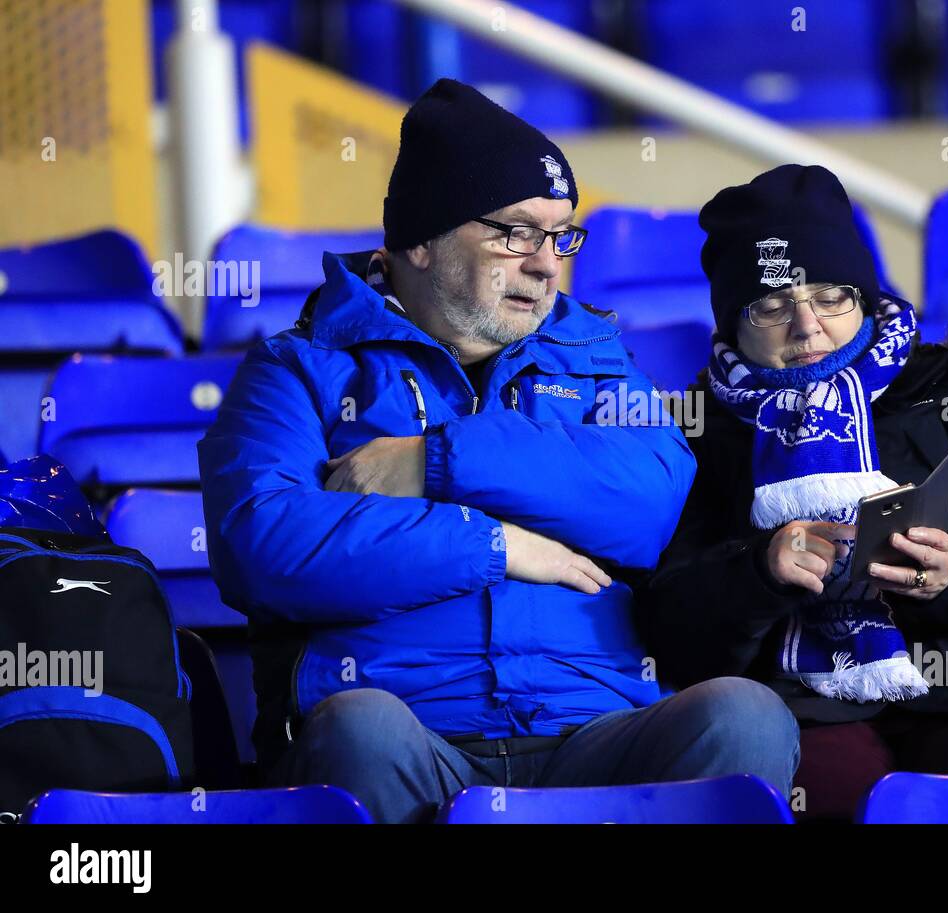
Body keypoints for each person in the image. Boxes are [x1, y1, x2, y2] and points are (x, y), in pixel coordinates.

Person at [198, 80, 799, 823]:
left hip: (595, 730)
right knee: (360, 728)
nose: (547, 264)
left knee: (744, 716)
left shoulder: (593, 355)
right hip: (413, 735)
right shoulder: (299, 367)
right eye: (515, 233)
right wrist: (491, 544)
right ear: (420, 239)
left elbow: (650, 498)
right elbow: (267, 545)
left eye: (560, 235)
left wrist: (439, 461)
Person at [641, 164, 948, 821]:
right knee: (823, 793)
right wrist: (759, 572)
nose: (806, 326)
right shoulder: (698, 430)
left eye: (831, 296)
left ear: (862, 296)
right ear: (732, 324)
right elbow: (665, 625)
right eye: (773, 305)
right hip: (797, 700)